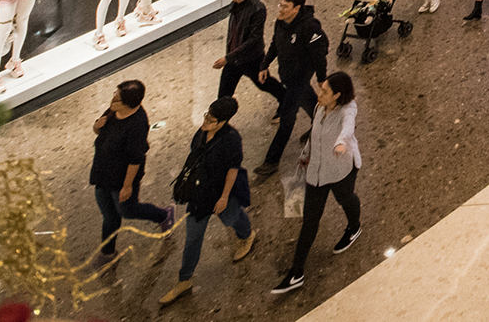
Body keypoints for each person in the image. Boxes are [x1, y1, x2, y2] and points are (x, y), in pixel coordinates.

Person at [272, 71, 361, 295]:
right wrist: (306, 155)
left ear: (337, 95)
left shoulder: (348, 109)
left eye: (324, 91)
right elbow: (315, 133)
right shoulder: (319, 107)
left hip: (341, 171)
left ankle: (354, 226)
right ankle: (296, 272)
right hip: (317, 173)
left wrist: (341, 144)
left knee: (345, 199)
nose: (319, 92)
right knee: (310, 221)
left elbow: (347, 129)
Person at [159, 96, 255, 303]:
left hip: (220, 193)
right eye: (206, 116)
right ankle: (184, 279)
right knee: (192, 239)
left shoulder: (231, 140)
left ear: (223, 122)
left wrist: (223, 197)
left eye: (211, 120)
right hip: (199, 195)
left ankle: (248, 235)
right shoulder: (201, 134)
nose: (205, 122)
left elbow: (232, 170)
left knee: (232, 218)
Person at [90, 78, 175, 261]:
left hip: (122, 177)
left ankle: (163, 214)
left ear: (129, 103)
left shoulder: (137, 124)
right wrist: (97, 126)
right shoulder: (114, 110)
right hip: (102, 172)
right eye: (115, 94)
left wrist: (127, 186)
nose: (113, 99)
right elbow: (98, 129)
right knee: (109, 215)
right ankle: (108, 253)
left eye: (117, 97)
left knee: (127, 210)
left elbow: (135, 159)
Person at [252, 0, 327, 173]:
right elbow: (274, 45)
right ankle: (323, 124)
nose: (280, 9)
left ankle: (271, 161)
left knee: (287, 117)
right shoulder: (281, 23)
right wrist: (264, 64)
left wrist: (321, 79)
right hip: (287, 75)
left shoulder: (309, 27)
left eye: (285, 6)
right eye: (280, 5)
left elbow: (319, 55)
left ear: (296, 9)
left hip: (299, 78)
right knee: (308, 100)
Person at [212, 0, 267, 100]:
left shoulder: (258, 8)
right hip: (234, 59)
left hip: (252, 59)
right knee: (223, 95)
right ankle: (221, 119)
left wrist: (227, 57)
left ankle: (285, 101)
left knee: (265, 84)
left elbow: (254, 39)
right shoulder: (234, 6)